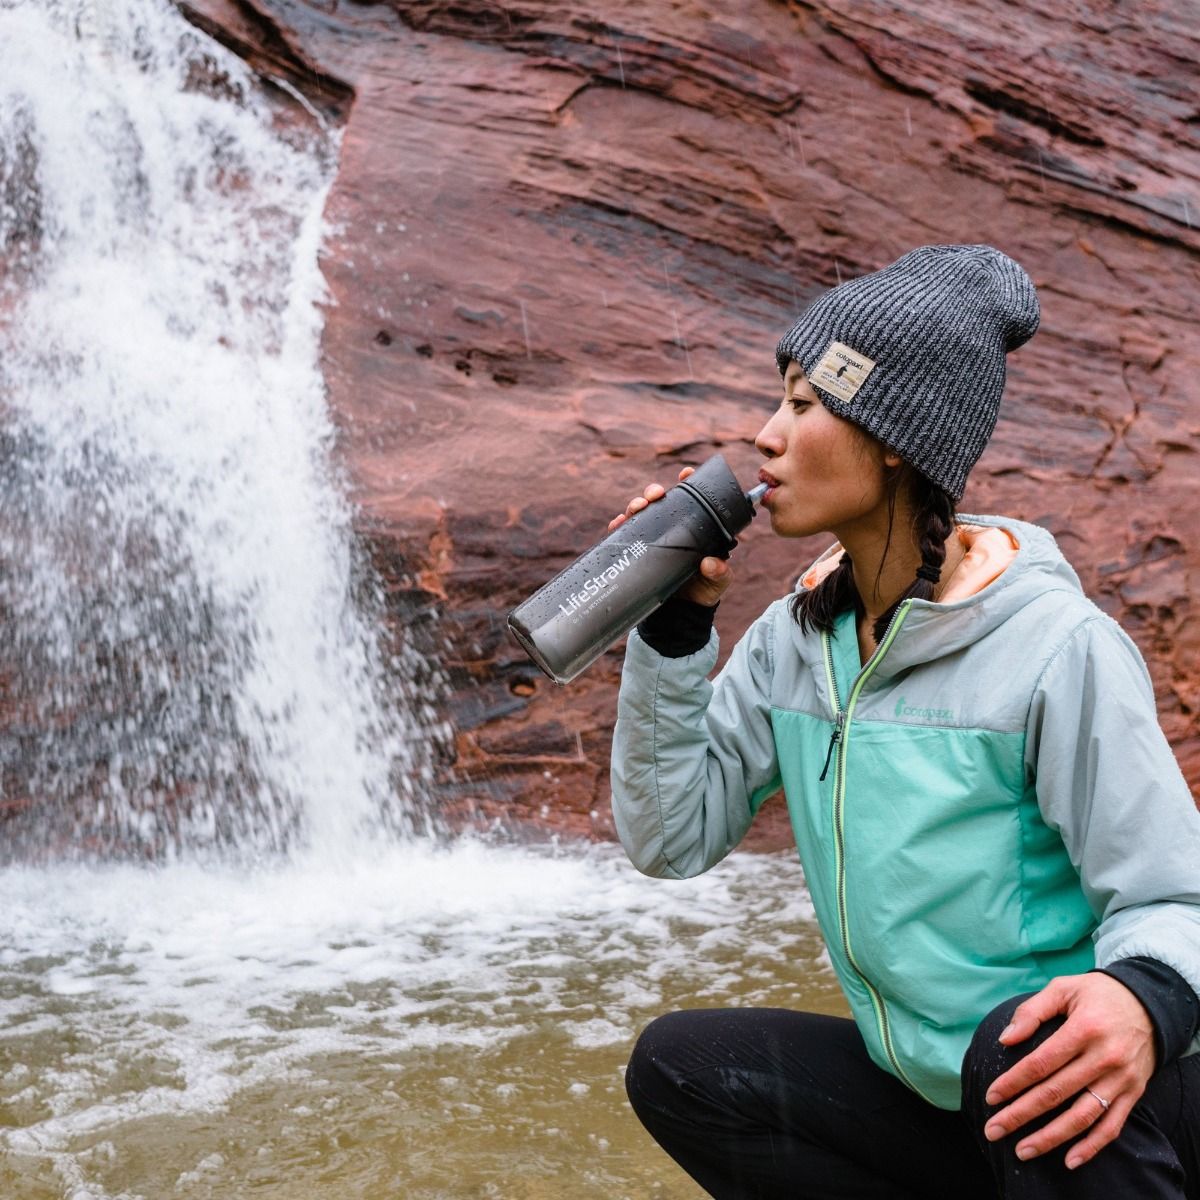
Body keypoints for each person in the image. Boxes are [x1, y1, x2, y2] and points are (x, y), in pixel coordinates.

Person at [606, 244, 1200, 1198]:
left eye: (804, 405)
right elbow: (670, 836)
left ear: (893, 437)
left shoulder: (1055, 646)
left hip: (1103, 1091)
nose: (766, 436)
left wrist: (1139, 999)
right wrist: (674, 632)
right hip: (944, 1096)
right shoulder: (798, 638)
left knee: (1020, 1048)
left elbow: (1177, 896)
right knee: (685, 1068)